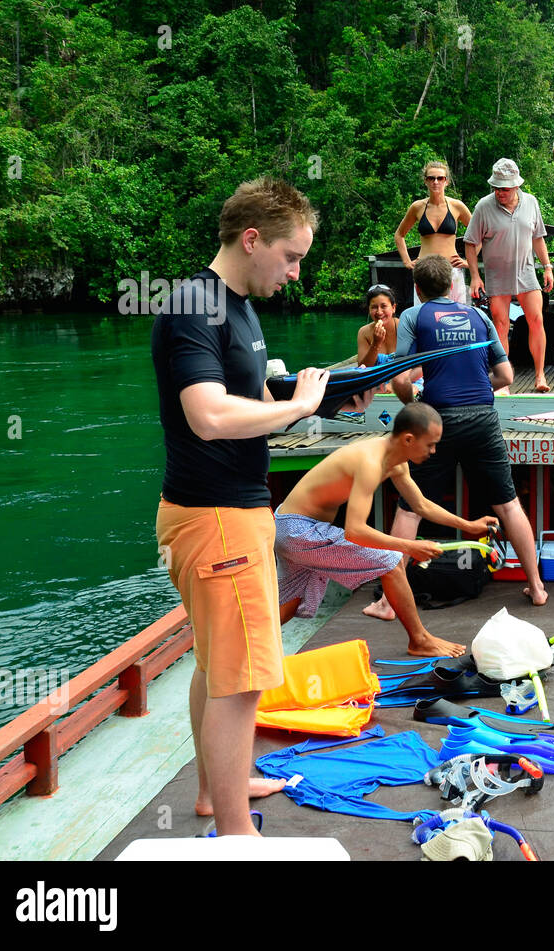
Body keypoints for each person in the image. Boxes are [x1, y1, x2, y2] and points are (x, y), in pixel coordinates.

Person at [152, 177, 330, 837]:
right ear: (251, 239)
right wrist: (298, 408)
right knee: (241, 680)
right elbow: (206, 414)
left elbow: (249, 397)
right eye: (290, 256)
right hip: (217, 516)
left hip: (223, 512)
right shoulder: (196, 305)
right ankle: (236, 834)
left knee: (216, 664)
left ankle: (215, 787)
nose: (296, 271)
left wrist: (321, 396)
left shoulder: (240, 306)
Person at [365, 254, 549, 612]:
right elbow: (506, 377)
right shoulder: (479, 316)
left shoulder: (415, 317)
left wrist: (412, 401)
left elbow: (401, 378)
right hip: (483, 418)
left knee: (411, 508)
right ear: (452, 285)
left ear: (417, 289)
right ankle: (537, 587)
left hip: (438, 419)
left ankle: (389, 600)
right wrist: (478, 386)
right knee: (509, 504)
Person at [275, 403, 495, 657]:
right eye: (430, 444)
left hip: (291, 527)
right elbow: (354, 531)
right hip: (299, 531)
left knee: (289, 604)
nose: (434, 451)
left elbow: (421, 504)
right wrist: (411, 546)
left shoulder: (395, 461)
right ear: (409, 439)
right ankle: (419, 640)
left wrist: (468, 525)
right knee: (391, 562)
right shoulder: (370, 463)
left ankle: (242, 647)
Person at [465, 158, 554, 393]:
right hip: (497, 273)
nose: (499, 192)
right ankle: (502, 379)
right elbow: (470, 242)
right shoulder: (484, 206)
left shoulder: (531, 202)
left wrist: (547, 266)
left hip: (526, 270)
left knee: (536, 320)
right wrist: (475, 276)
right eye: (496, 187)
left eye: (504, 188)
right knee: (501, 324)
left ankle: (540, 375)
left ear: (516, 186)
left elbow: (538, 237)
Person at [394, 160, 473, 303]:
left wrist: (469, 262)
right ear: (425, 181)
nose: (435, 182)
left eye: (440, 178)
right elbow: (399, 235)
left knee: (456, 316)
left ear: (446, 181)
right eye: (431, 178)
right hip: (424, 270)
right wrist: (406, 261)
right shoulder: (417, 207)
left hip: (451, 270)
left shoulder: (457, 206)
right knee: (423, 316)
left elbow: (479, 234)